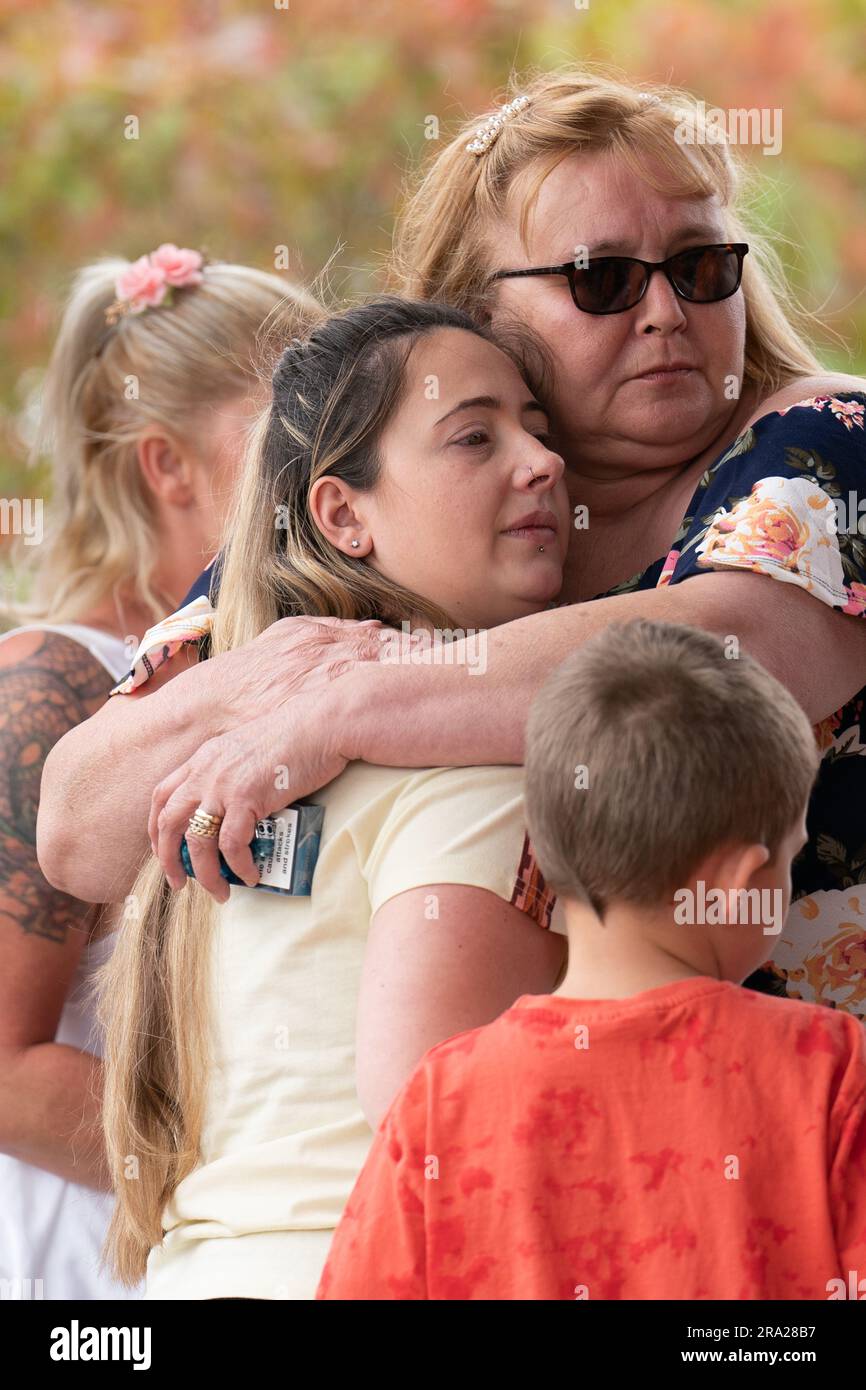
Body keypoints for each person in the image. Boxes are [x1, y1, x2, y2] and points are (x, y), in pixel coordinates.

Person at [38, 67, 866, 1021]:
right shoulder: (390, 506)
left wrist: (347, 711)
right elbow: (76, 825)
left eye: (701, 267)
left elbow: (732, 647)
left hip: (805, 1129)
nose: (667, 313)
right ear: (480, 315)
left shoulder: (825, 432)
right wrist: (276, 674)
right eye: (602, 278)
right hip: (457, 1134)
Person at [95, 297, 570, 1301]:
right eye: (474, 437)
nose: (541, 463)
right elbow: (439, 1119)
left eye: (538, 428)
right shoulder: (472, 769)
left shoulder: (221, 761)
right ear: (340, 513)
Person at [317, 620, 866, 1301]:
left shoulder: (439, 1102)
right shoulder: (833, 1068)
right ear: (737, 883)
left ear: (543, 858)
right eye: (786, 860)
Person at [0, 245, 319, 1299]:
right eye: (289, 431)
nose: (329, 460)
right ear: (165, 465)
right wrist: (259, 1159)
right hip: (101, 1254)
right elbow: (3, 1071)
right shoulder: (49, 684)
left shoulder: (272, 655)